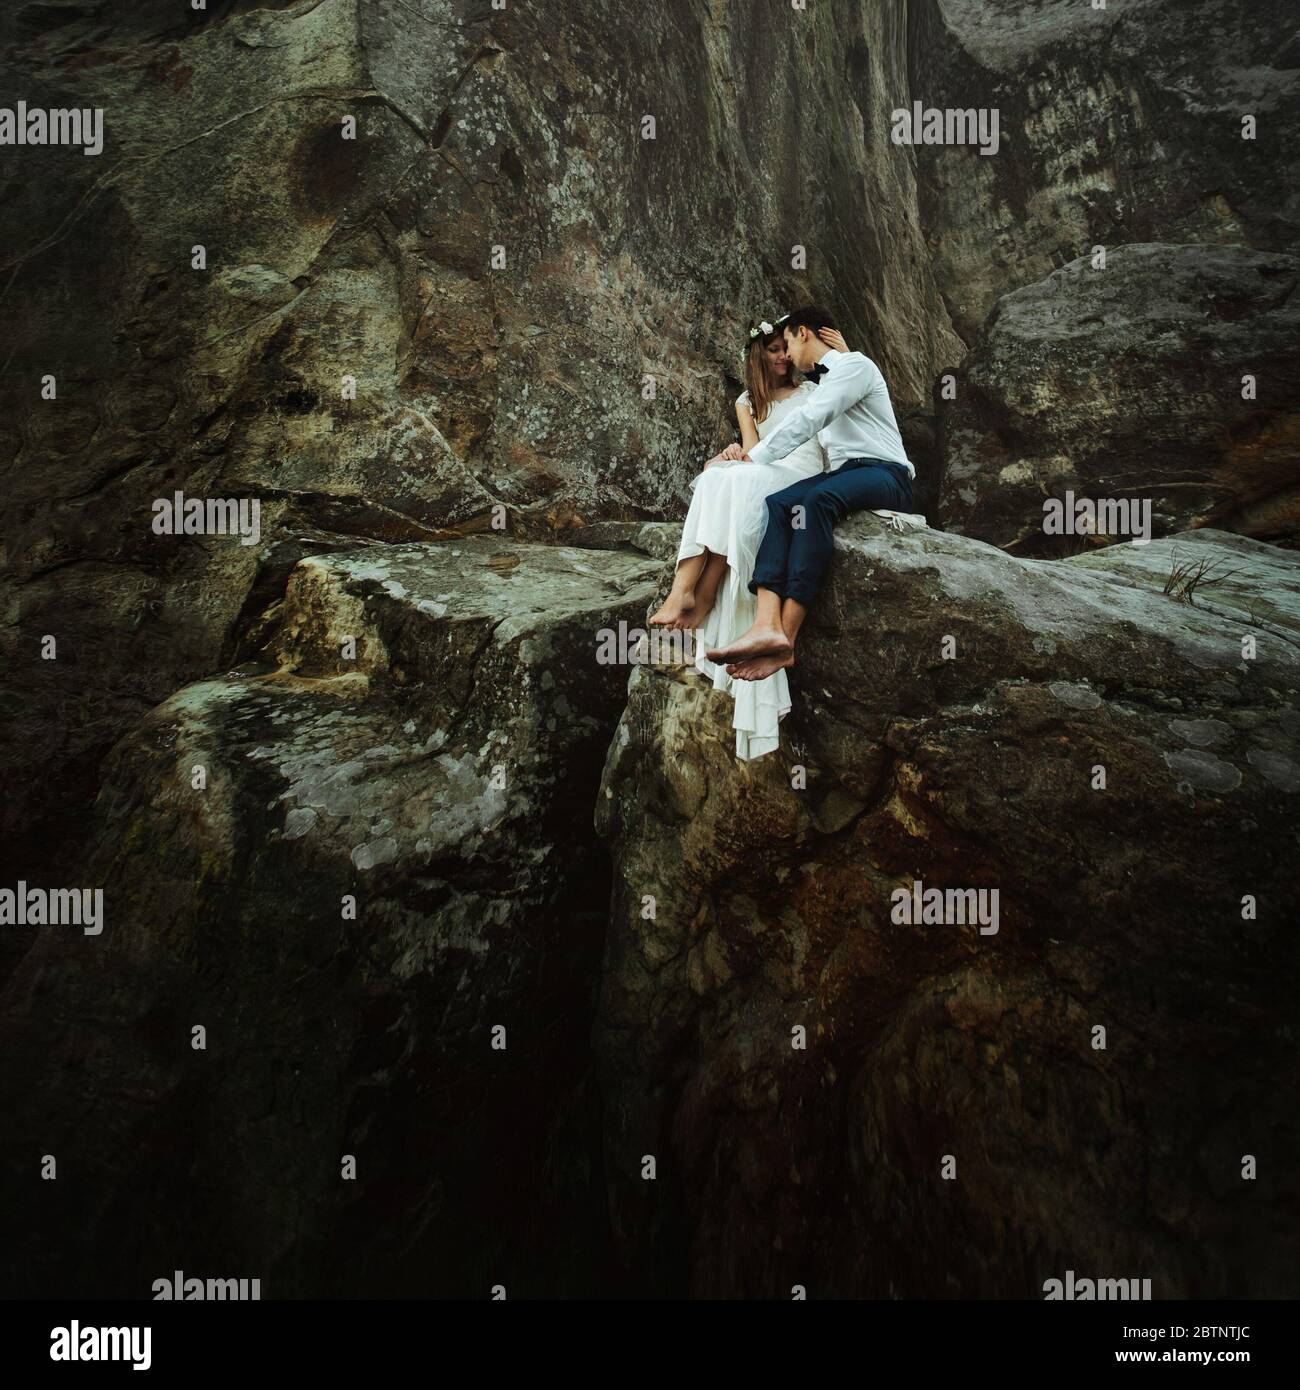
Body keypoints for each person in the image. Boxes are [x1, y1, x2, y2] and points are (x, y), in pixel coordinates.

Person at [647, 319, 847, 760]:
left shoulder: (814, 391)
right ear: (759, 356)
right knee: (716, 477)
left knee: (735, 484)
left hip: (800, 474)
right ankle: (684, 592)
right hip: (764, 469)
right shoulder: (746, 402)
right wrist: (733, 453)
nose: (781, 356)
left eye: (784, 348)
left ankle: (697, 596)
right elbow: (754, 448)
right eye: (772, 350)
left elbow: (838, 416)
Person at [706, 305, 919, 684]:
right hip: (845, 473)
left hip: (886, 473)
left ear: (803, 332)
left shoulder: (855, 367)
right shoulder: (834, 378)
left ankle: (786, 638)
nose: (785, 355)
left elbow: (809, 421)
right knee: (779, 503)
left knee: (815, 501)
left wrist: (753, 461)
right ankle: (765, 622)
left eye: (787, 342)